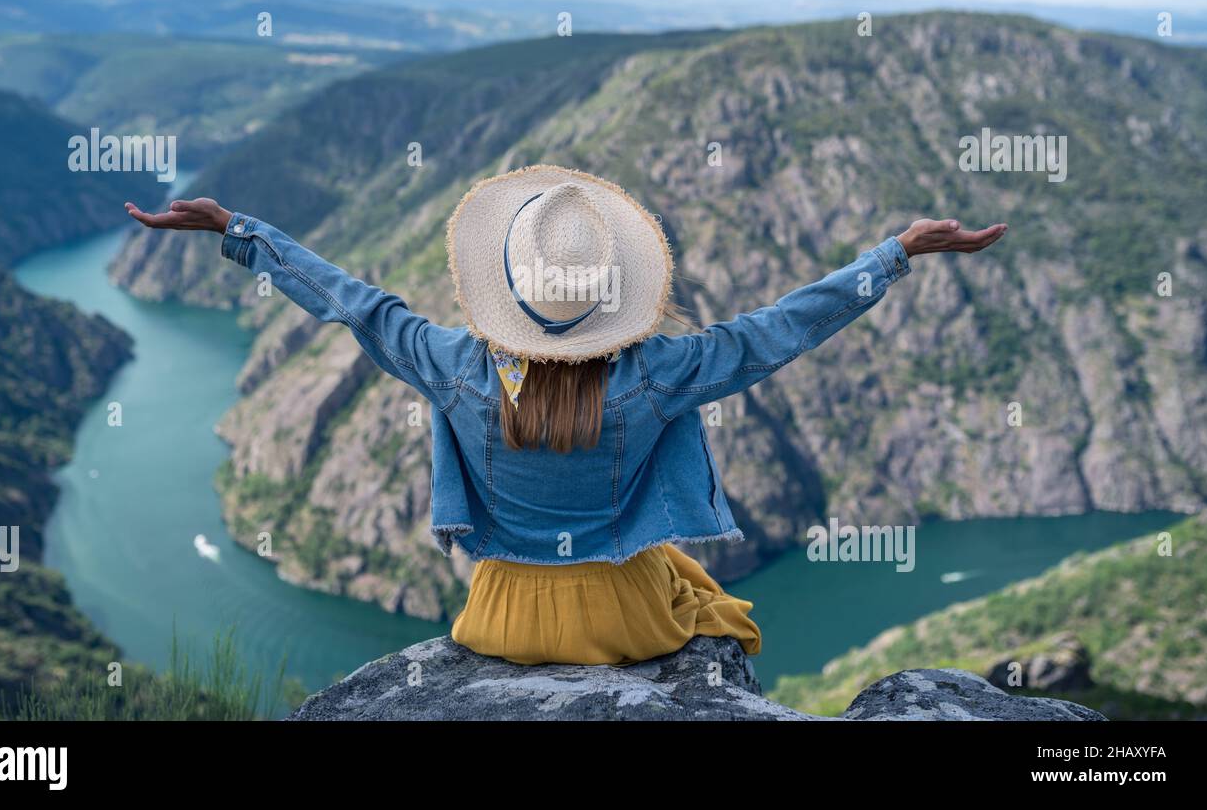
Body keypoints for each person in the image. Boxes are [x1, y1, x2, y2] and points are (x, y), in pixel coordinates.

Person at [126, 164, 1006, 665]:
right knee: (712, 604)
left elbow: (355, 303)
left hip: (497, 614)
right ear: (608, 294)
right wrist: (895, 255)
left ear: (510, 288)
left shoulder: (455, 368)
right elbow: (778, 331)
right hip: (624, 616)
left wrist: (239, 234)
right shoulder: (663, 372)